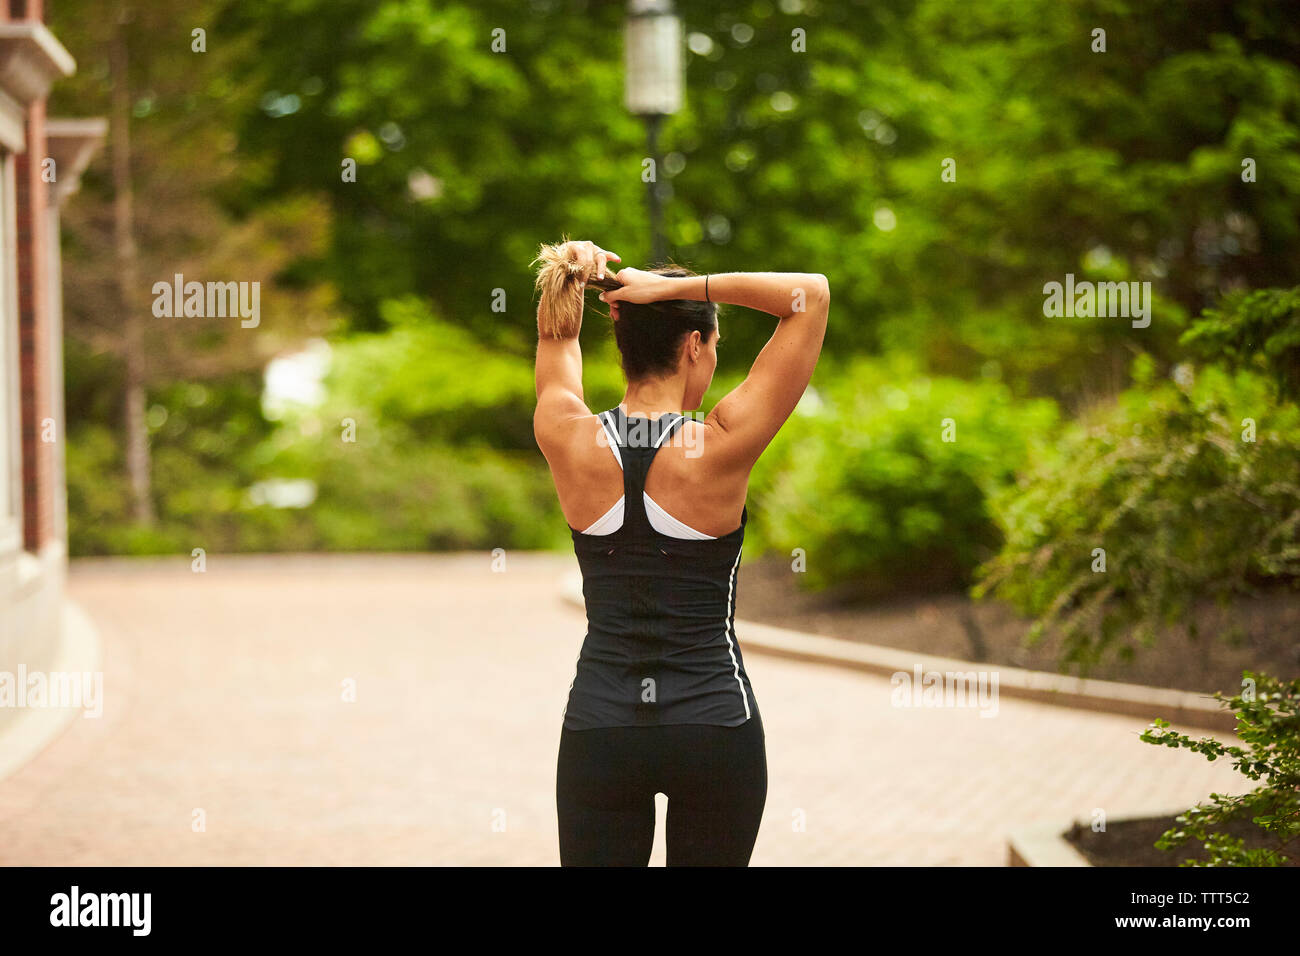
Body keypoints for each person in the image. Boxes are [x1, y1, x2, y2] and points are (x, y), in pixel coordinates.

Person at [532, 238, 829, 866]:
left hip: (602, 726)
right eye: (714, 347)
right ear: (694, 344)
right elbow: (811, 296)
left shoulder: (565, 433)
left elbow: (557, 342)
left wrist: (571, 271)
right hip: (712, 725)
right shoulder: (720, 444)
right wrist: (677, 289)